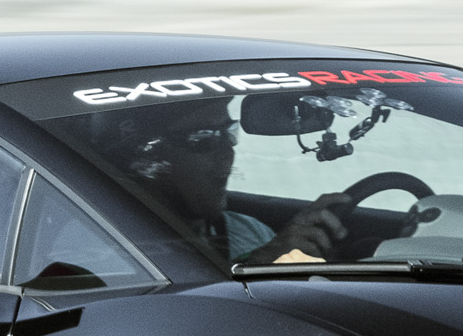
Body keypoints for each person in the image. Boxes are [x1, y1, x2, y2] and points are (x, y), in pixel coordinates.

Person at [94, 97, 351, 265]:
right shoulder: (96, 244)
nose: (227, 152)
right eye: (203, 139)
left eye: (228, 134)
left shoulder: (248, 231)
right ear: (146, 155)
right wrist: (258, 263)